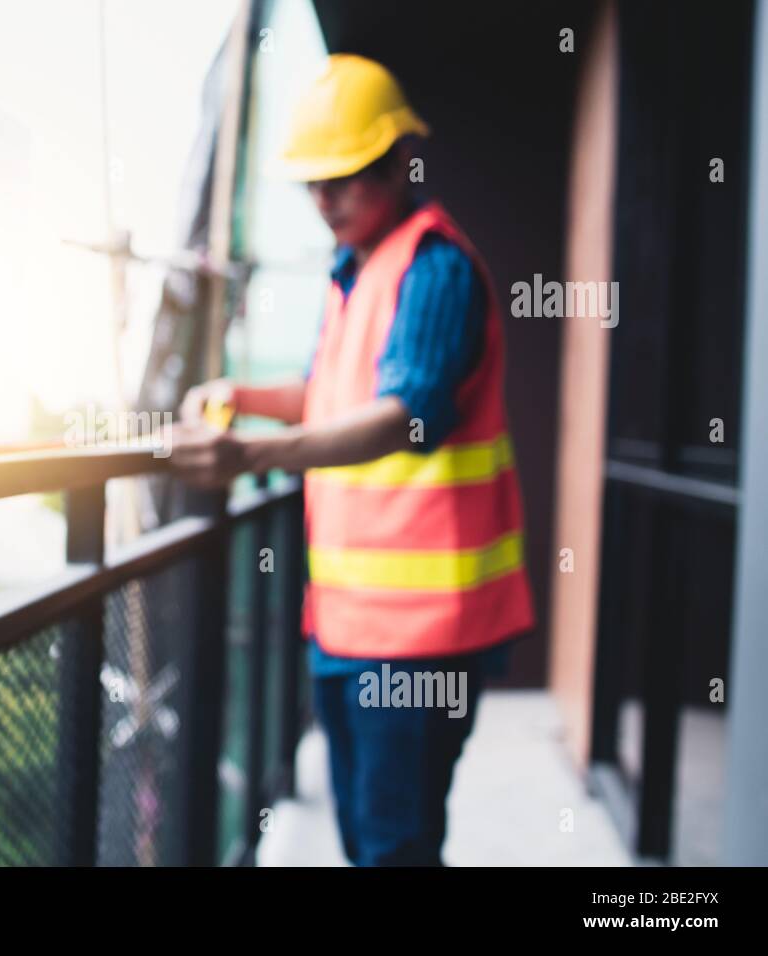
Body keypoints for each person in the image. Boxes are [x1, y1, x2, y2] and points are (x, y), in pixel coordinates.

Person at [170, 54, 535, 866]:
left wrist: (251, 452)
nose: (324, 199)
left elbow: (407, 419)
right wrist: (240, 393)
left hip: (423, 633)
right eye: (313, 182)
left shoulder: (433, 267)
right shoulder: (357, 272)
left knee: (393, 846)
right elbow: (329, 398)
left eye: (345, 176)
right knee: (372, 839)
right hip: (348, 624)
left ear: (401, 163)